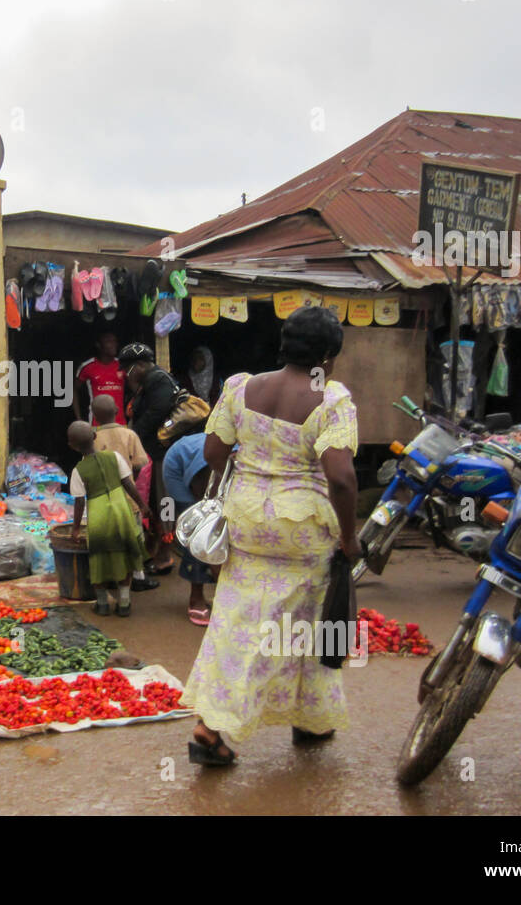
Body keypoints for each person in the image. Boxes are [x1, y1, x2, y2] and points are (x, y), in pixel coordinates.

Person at [182, 306, 362, 767]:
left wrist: (256, 470)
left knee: (238, 622)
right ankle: (306, 721)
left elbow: (213, 450)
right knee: (305, 623)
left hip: (246, 521)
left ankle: (218, 726)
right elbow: (341, 477)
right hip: (302, 529)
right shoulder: (332, 399)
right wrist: (350, 537)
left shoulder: (241, 387)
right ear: (326, 353)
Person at [67, 421, 150, 617]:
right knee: (125, 555)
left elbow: (79, 502)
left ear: (72, 446)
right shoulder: (114, 457)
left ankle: (102, 604)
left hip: (98, 518)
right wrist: (143, 505)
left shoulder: (78, 470)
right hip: (122, 512)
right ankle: (124, 603)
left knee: (99, 558)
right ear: (95, 437)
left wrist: (76, 529)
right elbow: (128, 484)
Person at [118, 342, 177, 575]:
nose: (125, 373)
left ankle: (165, 553)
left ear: (140, 365)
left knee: (165, 502)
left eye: (128, 369)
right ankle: (154, 549)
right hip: (153, 453)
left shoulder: (158, 379)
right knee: (154, 501)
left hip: (164, 454)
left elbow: (157, 411)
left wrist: (134, 435)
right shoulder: (147, 382)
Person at [90, 394, 159, 592]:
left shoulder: (93, 437)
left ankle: (110, 576)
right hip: (129, 498)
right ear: (117, 412)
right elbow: (140, 463)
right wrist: (130, 480)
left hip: (101, 500)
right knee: (135, 538)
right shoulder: (130, 435)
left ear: (94, 416)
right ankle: (137, 577)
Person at [162, 431, 218, 626]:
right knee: (200, 531)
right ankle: (196, 597)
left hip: (207, 467)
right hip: (180, 465)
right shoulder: (211, 466)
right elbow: (204, 500)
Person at [73, 331, 125, 425]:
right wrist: (78, 418)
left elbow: (137, 388)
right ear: (98, 345)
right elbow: (74, 390)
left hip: (120, 423)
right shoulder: (87, 366)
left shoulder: (122, 365)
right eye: (109, 341)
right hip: (96, 424)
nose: (114, 344)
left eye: (115, 341)